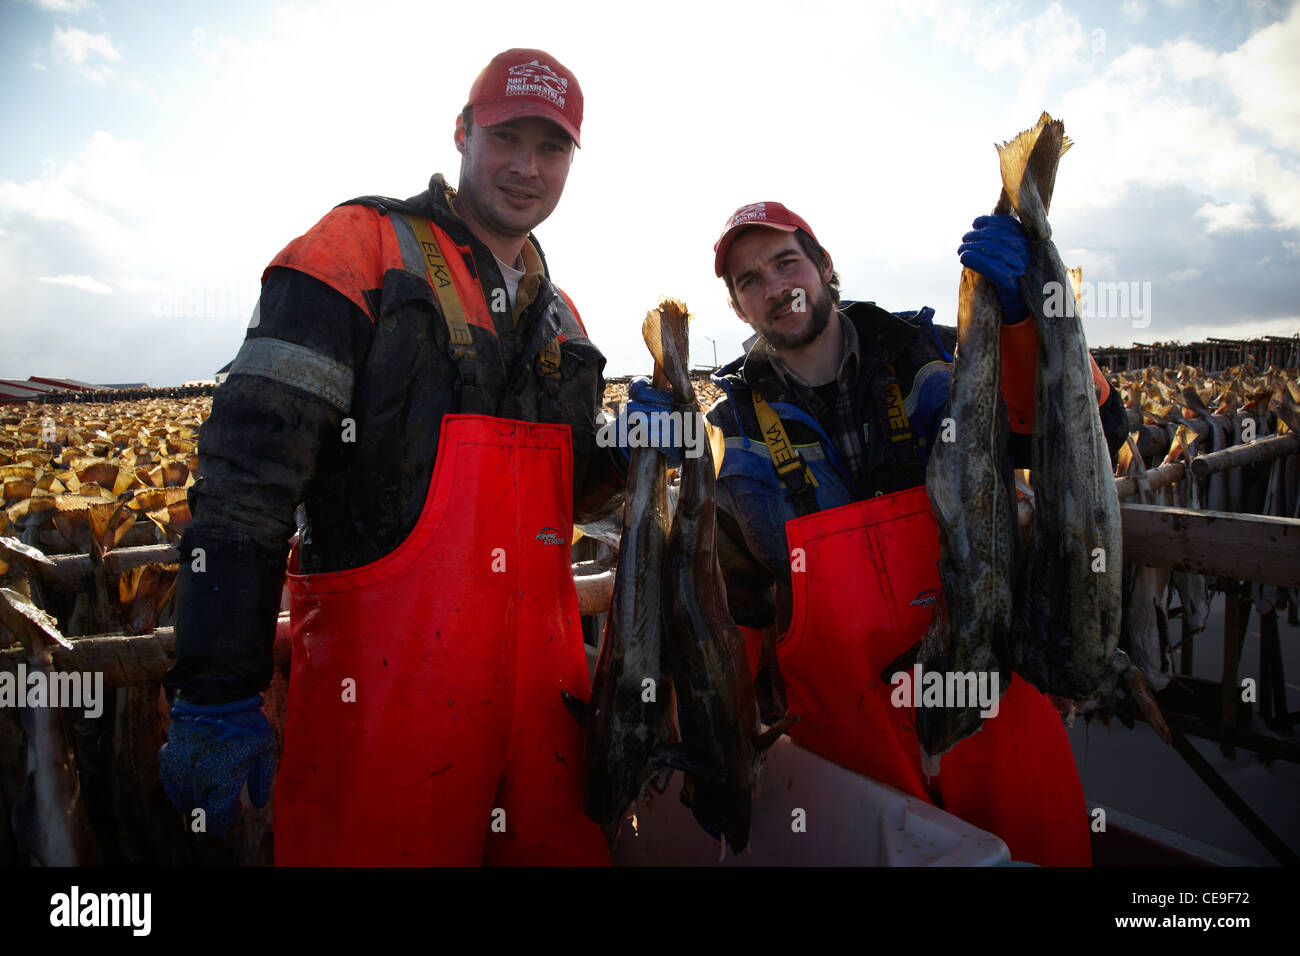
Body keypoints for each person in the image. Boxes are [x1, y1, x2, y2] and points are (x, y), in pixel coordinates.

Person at [159, 49, 626, 866]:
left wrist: (637, 448)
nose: (526, 166)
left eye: (551, 149)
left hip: (545, 712)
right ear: (460, 132)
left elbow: (574, 498)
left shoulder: (564, 319)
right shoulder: (358, 249)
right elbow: (246, 480)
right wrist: (216, 687)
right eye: (505, 137)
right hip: (382, 701)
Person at [704, 201, 1127, 866]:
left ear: (824, 267)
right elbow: (736, 609)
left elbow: (1088, 436)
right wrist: (728, 735)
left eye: (787, 261)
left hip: (995, 711)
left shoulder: (933, 360)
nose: (775, 285)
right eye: (749, 280)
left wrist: (1024, 317)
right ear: (738, 308)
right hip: (849, 756)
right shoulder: (729, 433)